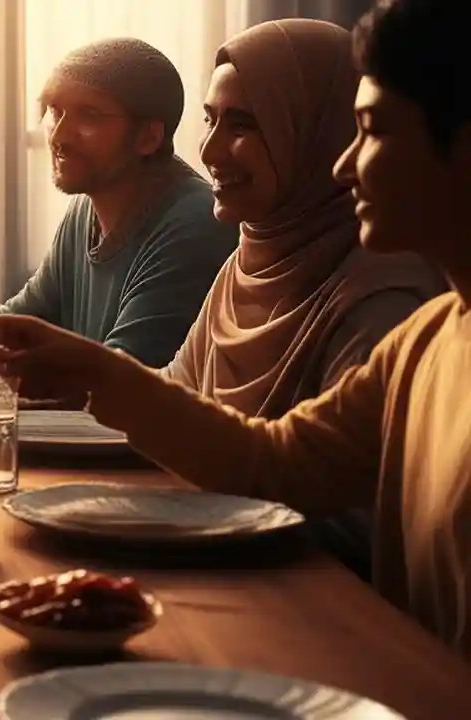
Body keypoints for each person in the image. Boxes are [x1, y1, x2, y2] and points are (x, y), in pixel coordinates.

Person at [0, 0, 471, 657]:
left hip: (335, 638)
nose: (343, 164)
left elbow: (333, 526)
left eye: (373, 131)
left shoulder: (395, 304)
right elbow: (274, 462)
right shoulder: (433, 336)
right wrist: (99, 373)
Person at [170, 19, 447, 576]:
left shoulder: (391, 298)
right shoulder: (250, 258)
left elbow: (349, 520)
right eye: (209, 120)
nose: (208, 149)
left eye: (243, 124)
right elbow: (184, 401)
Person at [0, 38, 236, 371]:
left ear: (148, 137)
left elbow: (126, 380)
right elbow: (28, 320)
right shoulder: (86, 208)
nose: (59, 136)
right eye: (55, 111)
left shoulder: (194, 224)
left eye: (89, 115)